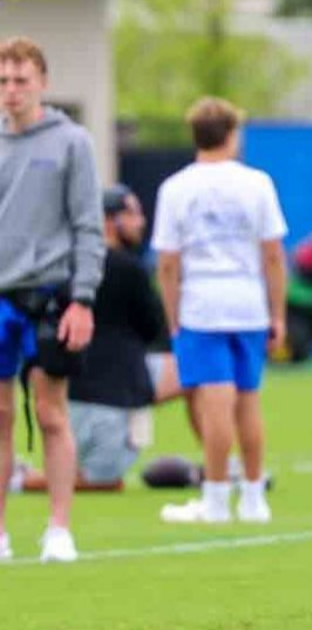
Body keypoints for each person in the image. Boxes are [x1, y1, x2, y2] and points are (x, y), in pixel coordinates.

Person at [153, 96, 287, 525]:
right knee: (247, 401)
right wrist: (277, 312)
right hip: (247, 303)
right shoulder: (258, 183)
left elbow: (169, 262)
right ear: (231, 134)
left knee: (215, 405)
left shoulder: (175, 189)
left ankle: (214, 497)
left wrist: (172, 313)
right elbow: (272, 256)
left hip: (202, 305)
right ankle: (252, 497)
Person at [0, 36, 104, 563]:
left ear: (41, 80)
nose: (11, 91)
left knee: (51, 413)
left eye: (20, 80)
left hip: (50, 294)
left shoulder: (72, 142)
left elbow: (89, 226)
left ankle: (58, 528)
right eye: (3, 81)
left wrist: (82, 299)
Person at [13, 186, 180, 493]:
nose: (140, 222)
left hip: (65, 391)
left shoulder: (59, 263)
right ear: (106, 220)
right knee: (103, 481)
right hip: (110, 399)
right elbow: (153, 328)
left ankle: (212, 472)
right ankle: (17, 480)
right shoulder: (129, 268)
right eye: (131, 214)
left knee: (197, 372)